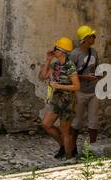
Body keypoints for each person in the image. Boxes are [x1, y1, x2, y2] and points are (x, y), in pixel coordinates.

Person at [38, 36, 81, 159]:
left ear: (62, 51)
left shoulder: (70, 66)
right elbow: (44, 76)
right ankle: (64, 146)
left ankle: (69, 157)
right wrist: (48, 60)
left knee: (65, 131)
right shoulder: (56, 64)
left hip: (68, 101)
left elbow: (76, 86)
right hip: (57, 99)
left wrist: (59, 85)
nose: (53, 50)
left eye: (55, 48)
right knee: (46, 124)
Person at [68, 25, 101, 160]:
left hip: (93, 90)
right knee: (77, 121)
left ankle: (93, 148)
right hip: (79, 91)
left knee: (93, 121)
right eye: (92, 36)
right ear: (86, 38)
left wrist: (98, 76)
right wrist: (85, 78)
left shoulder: (94, 53)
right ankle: (73, 147)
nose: (94, 38)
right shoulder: (74, 55)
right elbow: (70, 74)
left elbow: (96, 67)